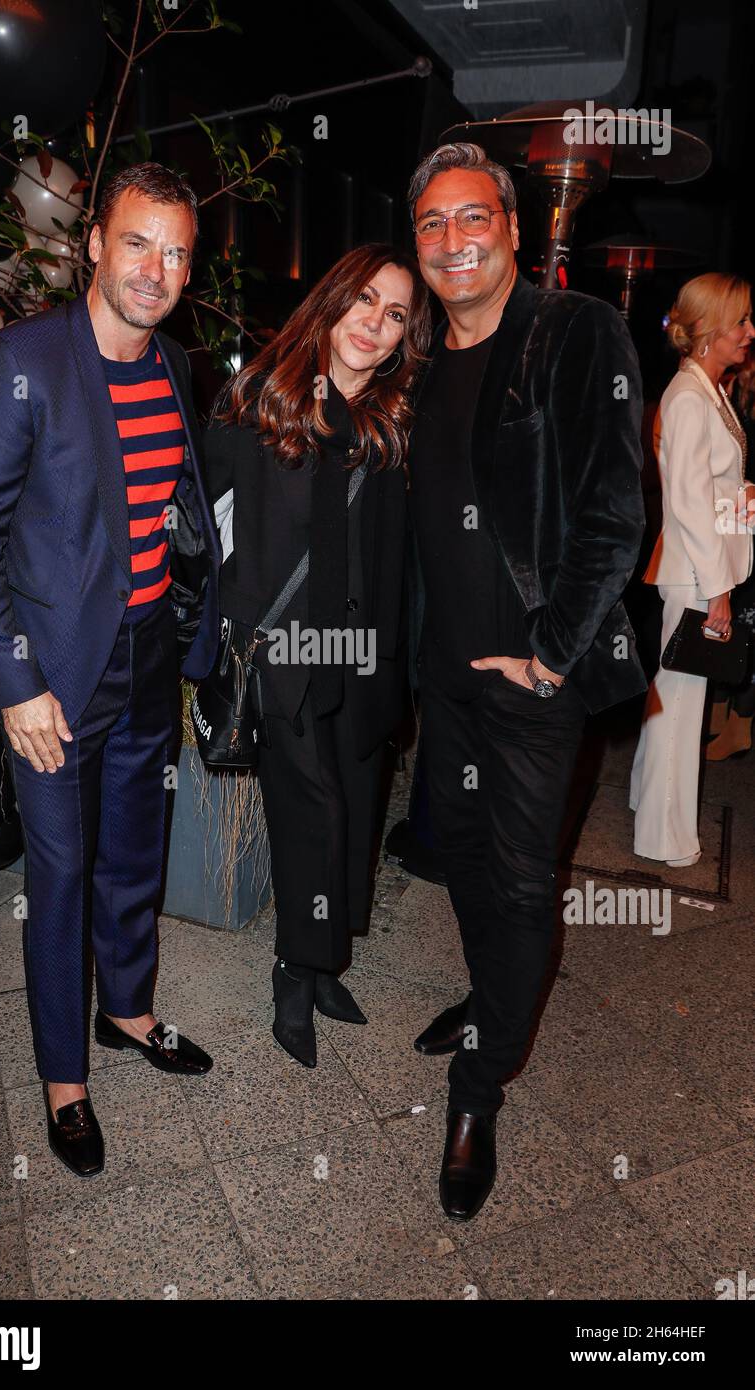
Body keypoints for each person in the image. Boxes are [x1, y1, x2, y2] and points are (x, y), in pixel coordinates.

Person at [0, 163, 221, 1178]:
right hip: (53, 676)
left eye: (177, 250)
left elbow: (171, 513)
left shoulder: (173, 367)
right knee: (58, 875)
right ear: (94, 243)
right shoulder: (19, 362)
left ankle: (129, 1012)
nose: (156, 269)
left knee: (134, 852)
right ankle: (65, 1081)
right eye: (138, 243)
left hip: (145, 659)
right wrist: (13, 686)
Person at [405, 142, 646, 1222]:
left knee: (514, 881)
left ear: (507, 226)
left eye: (471, 218)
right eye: (430, 225)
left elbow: (613, 513)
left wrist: (551, 648)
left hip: (531, 683)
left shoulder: (572, 332)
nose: (451, 241)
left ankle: (477, 1087)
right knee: (454, 852)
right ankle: (489, 994)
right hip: (443, 674)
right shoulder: (419, 358)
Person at [205, 244, 431, 1067]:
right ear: (332, 303)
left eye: (396, 312)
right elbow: (207, 520)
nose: (375, 323)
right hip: (288, 648)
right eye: (365, 301)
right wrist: (237, 631)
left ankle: (328, 954)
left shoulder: (394, 420)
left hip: (366, 649)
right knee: (313, 811)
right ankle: (294, 971)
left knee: (360, 806)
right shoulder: (264, 400)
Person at [630, 274, 754, 862]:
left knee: (672, 696)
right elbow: (684, 501)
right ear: (708, 330)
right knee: (680, 707)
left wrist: (738, 539)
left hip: (703, 566)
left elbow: (719, 488)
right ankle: (663, 836)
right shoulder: (686, 397)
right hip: (695, 572)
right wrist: (720, 589)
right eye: (741, 321)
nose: (750, 333)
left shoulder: (709, 389)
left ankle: (645, 805)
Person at [706, 347, 755, 760]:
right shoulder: (729, 389)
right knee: (736, 609)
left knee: (748, 617)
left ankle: (740, 723)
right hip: (741, 511)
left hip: (747, 509)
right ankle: (721, 713)